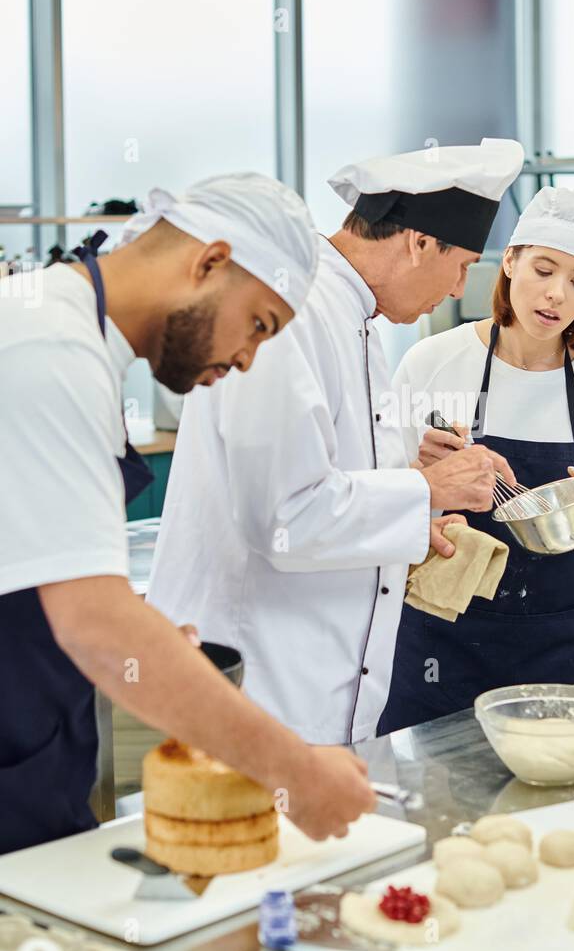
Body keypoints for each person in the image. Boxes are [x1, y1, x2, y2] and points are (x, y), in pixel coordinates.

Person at [0, 173, 376, 854]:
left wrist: (150, 641)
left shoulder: (70, 337)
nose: (246, 359)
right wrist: (296, 776)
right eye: (258, 325)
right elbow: (94, 625)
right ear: (209, 262)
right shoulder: (48, 349)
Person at [146, 140, 524, 745]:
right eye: (462, 266)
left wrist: (407, 482)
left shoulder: (356, 316)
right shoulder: (289, 310)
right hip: (258, 676)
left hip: (308, 685)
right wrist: (423, 490)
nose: (459, 290)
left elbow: (327, 470)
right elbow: (282, 517)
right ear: (420, 242)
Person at [379, 185, 574, 732]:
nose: (556, 295)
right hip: (439, 641)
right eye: (544, 270)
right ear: (509, 261)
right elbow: (373, 504)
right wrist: (427, 478)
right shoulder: (433, 363)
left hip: (554, 652)